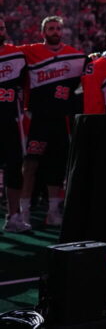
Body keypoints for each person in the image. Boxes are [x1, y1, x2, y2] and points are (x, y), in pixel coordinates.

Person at [19, 16, 86, 227]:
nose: (55, 31)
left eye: (58, 28)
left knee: (57, 167)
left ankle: (53, 212)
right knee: (30, 165)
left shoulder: (76, 56)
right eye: (50, 28)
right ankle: (23, 212)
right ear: (43, 32)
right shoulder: (30, 51)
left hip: (60, 121)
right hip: (37, 119)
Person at [0, 17, 30, 232]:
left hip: (10, 118)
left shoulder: (17, 54)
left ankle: (13, 216)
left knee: (14, 167)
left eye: (1, 27)